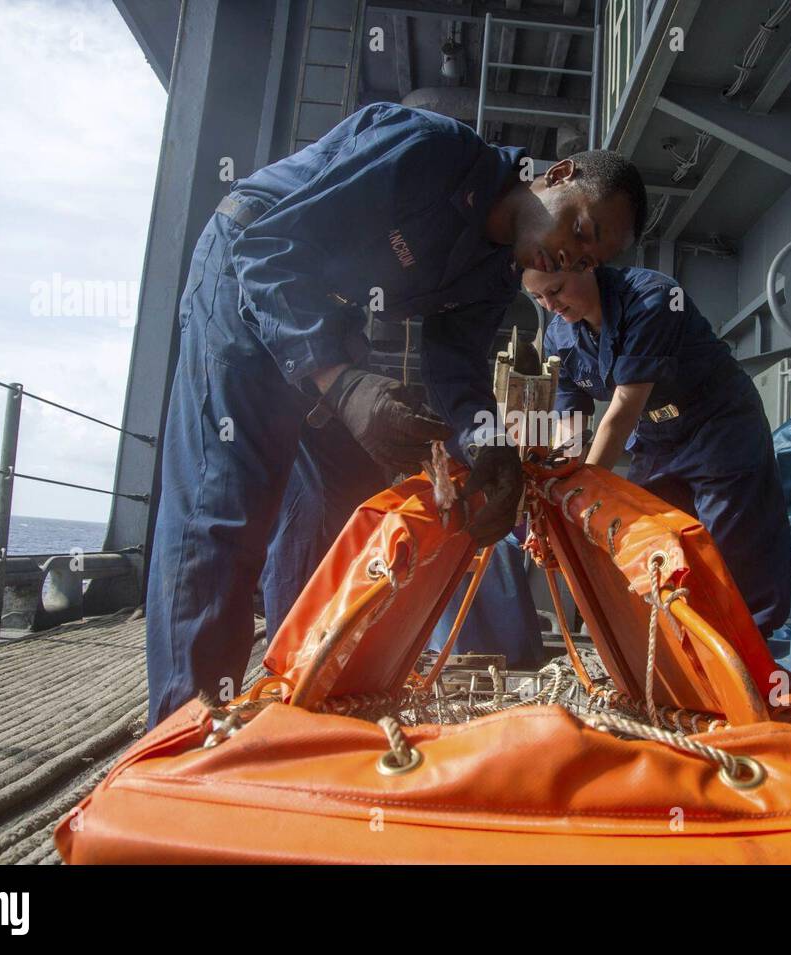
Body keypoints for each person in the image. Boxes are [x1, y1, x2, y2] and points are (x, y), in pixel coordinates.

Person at [146, 103, 646, 726]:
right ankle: (181, 737)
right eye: (577, 229)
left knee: (341, 500)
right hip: (243, 274)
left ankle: (295, 696)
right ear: (559, 173)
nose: (566, 259)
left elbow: (455, 371)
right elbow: (269, 250)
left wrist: (490, 449)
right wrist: (343, 383)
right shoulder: (430, 151)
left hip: (324, 318)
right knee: (221, 507)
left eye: (584, 262)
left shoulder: (492, 275)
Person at [528, 265, 791, 636]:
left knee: (731, 554)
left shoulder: (654, 297)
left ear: (585, 261)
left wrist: (577, 498)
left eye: (555, 290)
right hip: (656, 435)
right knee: (643, 538)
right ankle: (671, 652)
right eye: (538, 297)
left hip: (718, 423)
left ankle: (746, 659)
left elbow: (620, 415)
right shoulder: (560, 336)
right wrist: (557, 494)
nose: (550, 304)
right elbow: (569, 425)